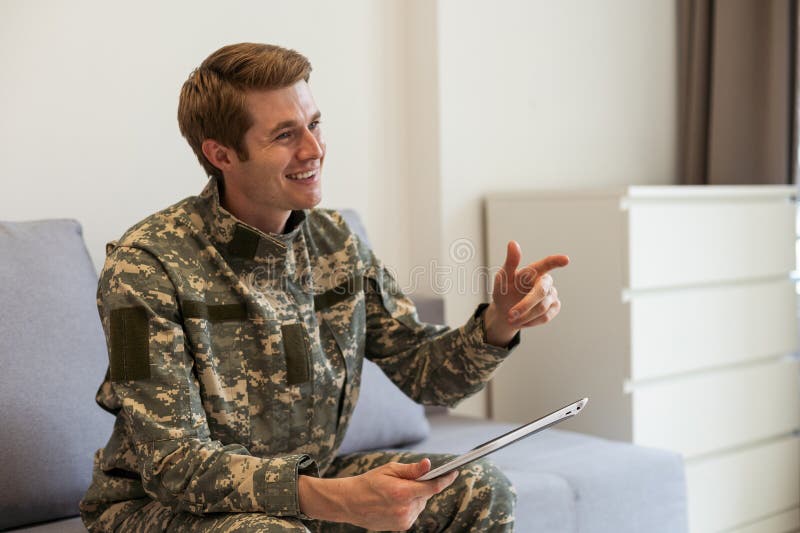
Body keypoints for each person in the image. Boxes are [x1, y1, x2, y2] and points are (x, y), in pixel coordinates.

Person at [79, 43, 568, 532]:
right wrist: (336, 500)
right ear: (221, 153)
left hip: (307, 490)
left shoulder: (336, 242)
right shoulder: (145, 266)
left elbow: (425, 373)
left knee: (479, 488)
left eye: (314, 124)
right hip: (158, 508)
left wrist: (498, 324)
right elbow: (173, 463)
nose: (313, 150)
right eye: (285, 135)